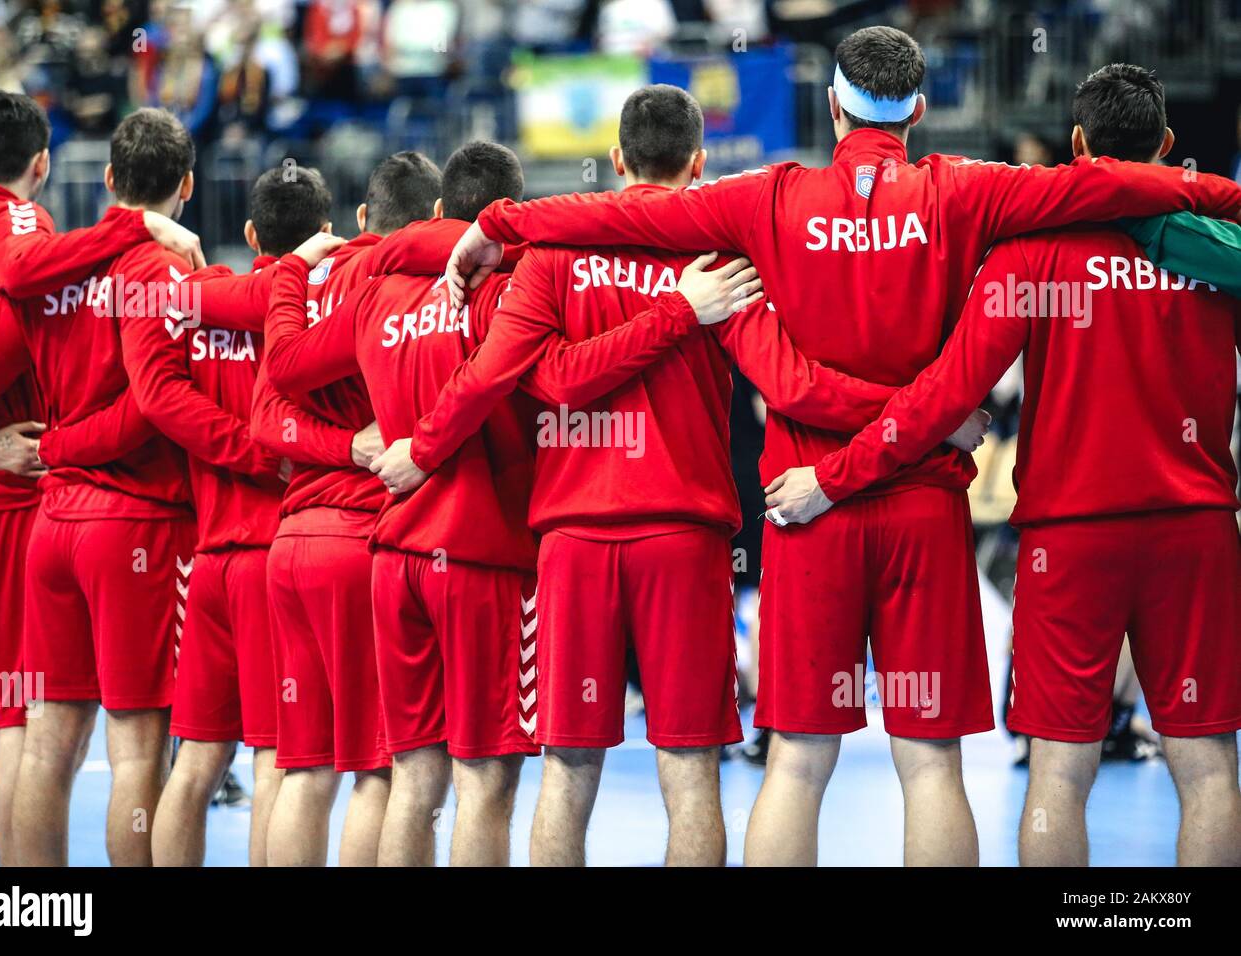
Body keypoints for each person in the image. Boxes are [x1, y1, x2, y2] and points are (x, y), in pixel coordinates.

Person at [438, 26, 1241, 865]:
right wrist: (1223, 197)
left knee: (797, 760)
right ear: (920, 110)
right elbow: (1108, 188)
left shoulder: (763, 200)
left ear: (831, 106)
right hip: (925, 504)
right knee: (932, 763)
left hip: (803, 509)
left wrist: (500, 221)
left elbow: (618, 212)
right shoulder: (970, 192)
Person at [370, 85, 987, 865]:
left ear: (618, 160)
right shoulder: (722, 264)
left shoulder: (555, 256)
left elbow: (549, 381)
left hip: (572, 541)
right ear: (698, 166)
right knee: (691, 768)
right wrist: (929, 412)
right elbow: (795, 385)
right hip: (685, 541)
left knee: (566, 768)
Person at [785, 65, 1241, 867]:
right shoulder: (1222, 256)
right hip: (1197, 532)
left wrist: (834, 476)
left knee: (1061, 770)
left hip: (1068, 541)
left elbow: (940, 397)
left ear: (1075, 147)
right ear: (1168, 148)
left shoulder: (1030, 256)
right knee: (1206, 767)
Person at [0, 91, 199, 865]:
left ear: (107, 174)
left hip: (35, 517)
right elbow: (158, 407)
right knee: (123, 747)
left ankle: (33, 911)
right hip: (101, 519)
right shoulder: (51, 239)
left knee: (33, 730)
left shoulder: (45, 276)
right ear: (185, 186)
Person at [145, 166, 356, 866]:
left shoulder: (199, 301)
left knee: (197, 763)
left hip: (208, 562)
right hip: (277, 557)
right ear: (328, 234)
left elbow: (164, 396)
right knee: (282, 759)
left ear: (247, 233)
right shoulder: (315, 308)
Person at [249, 151, 441, 867]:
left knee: (303, 767)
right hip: (359, 545)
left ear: (361, 217)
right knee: (379, 771)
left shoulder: (300, 284)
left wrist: (327, 445)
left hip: (290, 544)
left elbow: (265, 421)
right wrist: (355, 449)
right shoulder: (401, 285)